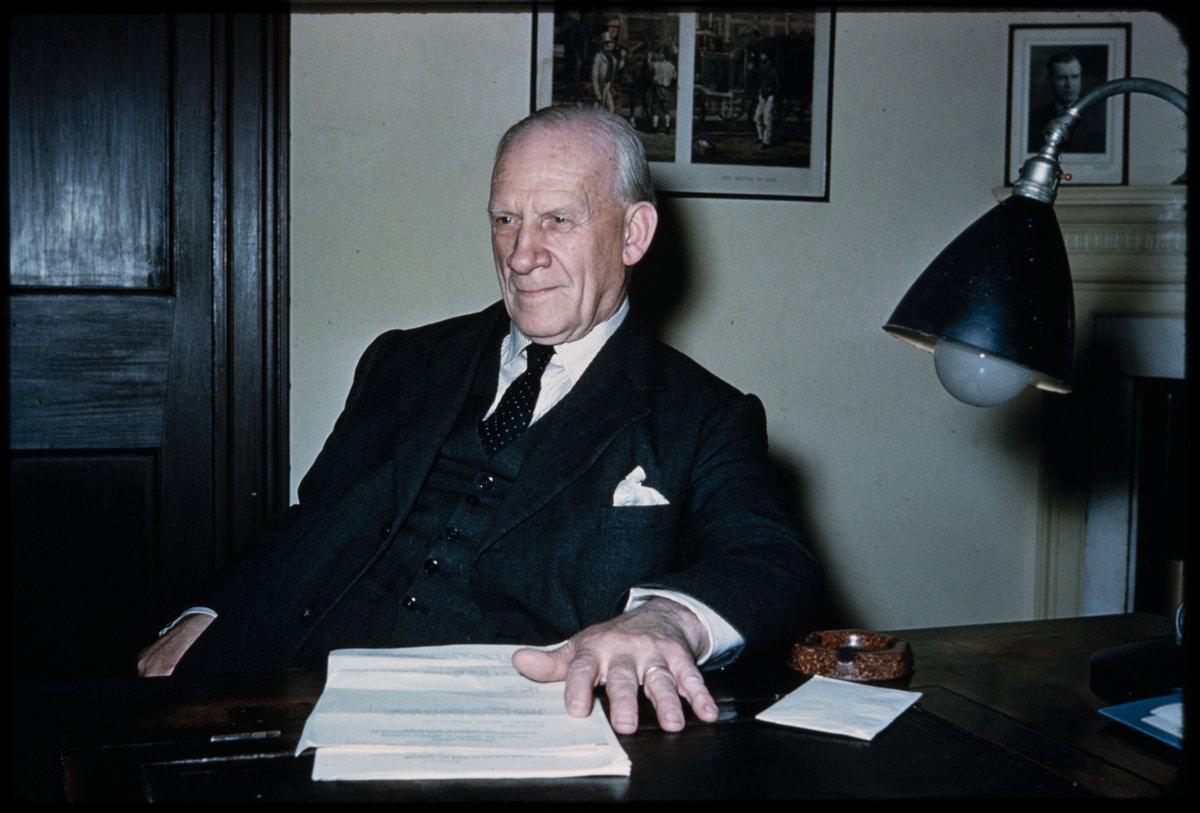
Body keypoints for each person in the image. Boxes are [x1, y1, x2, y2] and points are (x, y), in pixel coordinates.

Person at [138, 105, 822, 735]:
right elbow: (312, 518)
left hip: (496, 734)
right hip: (282, 694)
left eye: (557, 219)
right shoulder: (402, 360)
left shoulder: (703, 414)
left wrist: (667, 617)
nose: (521, 255)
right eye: (505, 220)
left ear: (634, 234)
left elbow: (770, 562)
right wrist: (209, 616)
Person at [1027, 50, 1105, 154]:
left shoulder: (1098, 118)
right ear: (1050, 79)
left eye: (1074, 77)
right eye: (1061, 78)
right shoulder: (1034, 117)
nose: (1069, 85)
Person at [753, 51, 782, 149]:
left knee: (767, 119)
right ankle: (761, 137)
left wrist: (773, 94)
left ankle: (767, 141)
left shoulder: (773, 69)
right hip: (762, 94)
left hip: (769, 96)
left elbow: (778, 84)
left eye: (763, 54)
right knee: (757, 117)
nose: (761, 56)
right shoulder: (763, 67)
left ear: (768, 57)